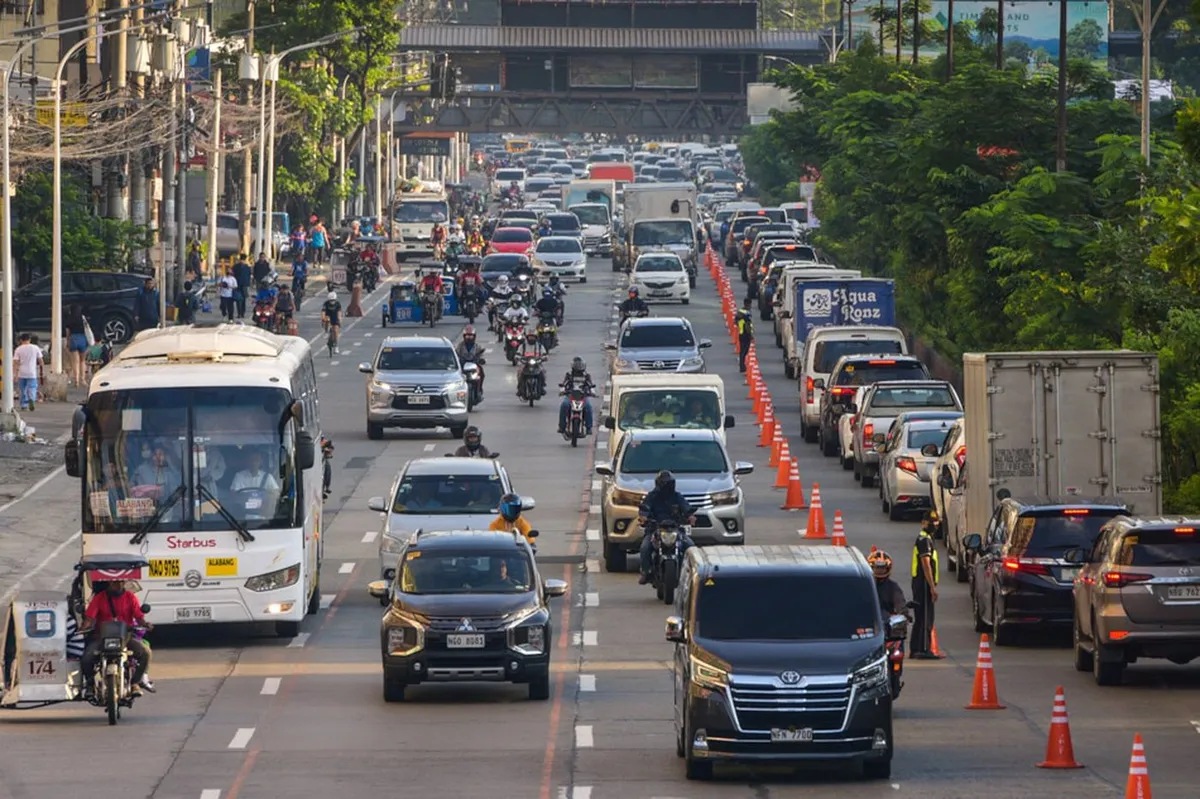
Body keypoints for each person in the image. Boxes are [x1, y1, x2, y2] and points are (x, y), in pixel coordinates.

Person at [79, 578, 152, 697]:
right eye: (116, 582)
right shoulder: (99, 598)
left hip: (125, 638)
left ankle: (135, 683)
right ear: (109, 583)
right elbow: (89, 618)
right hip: (102, 638)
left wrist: (145, 624)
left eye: (122, 582)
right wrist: (83, 628)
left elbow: (139, 617)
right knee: (86, 658)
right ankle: (90, 685)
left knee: (146, 653)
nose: (119, 585)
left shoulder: (130, 597)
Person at [636, 470, 695, 585]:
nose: (667, 487)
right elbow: (644, 509)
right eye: (665, 484)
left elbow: (686, 508)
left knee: (691, 547)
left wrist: (690, 517)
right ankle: (646, 571)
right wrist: (643, 517)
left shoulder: (677, 496)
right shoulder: (652, 496)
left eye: (669, 484)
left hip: (675, 529)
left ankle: (690, 573)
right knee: (645, 548)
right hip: (655, 529)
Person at [910, 511, 941, 659]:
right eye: (932, 522)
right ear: (924, 523)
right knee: (925, 618)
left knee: (922, 617)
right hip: (923, 584)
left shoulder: (926, 538)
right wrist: (932, 587)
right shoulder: (924, 540)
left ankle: (916, 648)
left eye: (936, 522)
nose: (935, 524)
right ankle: (922, 649)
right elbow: (926, 564)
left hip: (921, 583)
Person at [557, 356, 595, 435]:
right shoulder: (569, 375)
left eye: (580, 365)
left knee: (588, 407)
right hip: (570, 396)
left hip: (582, 397)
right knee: (564, 405)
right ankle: (562, 426)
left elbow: (591, 385)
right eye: (577, 365)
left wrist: (592, 392)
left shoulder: (586, 376)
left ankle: (589, 427)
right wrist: (562, 391)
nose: (578, 367)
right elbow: (564, 384)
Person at [868, 548, 907, 615]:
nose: (880, 570)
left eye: (882, 568)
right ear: (871, 567)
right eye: (877, 567)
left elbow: (899, 601)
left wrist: (903, 612)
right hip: (867, 621)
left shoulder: (893, 587)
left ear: (887, 568)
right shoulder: (865, 586)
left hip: (886, 622)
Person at [13, 332, 42, 411]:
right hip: (32, 372)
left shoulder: (18, 349)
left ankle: (23, 405)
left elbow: (15, 362)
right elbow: (40, 360)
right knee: (32, 387)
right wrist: (41, 367)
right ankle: (31, 399)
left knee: (23, 389)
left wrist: (15, 374)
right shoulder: (35, 348)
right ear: (29, 339)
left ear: (21, 340)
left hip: (22, 373)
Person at [455, 326, 486, 394]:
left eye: (471, 336)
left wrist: (481, 360)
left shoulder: (477, 346)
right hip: (463, 364)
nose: (469, 338)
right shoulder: (460, 346)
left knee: (481, 373)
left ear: (474, 336)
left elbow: (481, 354)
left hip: (474, 364)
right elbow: (456, 353)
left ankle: (479, 388)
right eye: (467, 336)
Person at [64, 303, 89, 387]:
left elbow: (68, 333)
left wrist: (68, 342)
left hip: (73, 339)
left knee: (75, 362)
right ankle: (83, 380)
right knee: (82, 361)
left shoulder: (69, 320)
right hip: (82, 338)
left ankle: (76, 381)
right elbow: (87, 330)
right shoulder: (83, 319)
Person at [736, 297, 754, 373]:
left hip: (741, 333)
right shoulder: (746, 313)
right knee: (744, 351)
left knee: (742, 351)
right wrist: (750, 335)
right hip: (746, 334)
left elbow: (736, 321)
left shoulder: (739, 312)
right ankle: (742, 366)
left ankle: (742, 365)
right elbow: (748, 325)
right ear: (748, 304)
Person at [233, 254, 252, 319]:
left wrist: (248, 284)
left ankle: (242, 313)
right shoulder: (236, 267)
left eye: (243, 260)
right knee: (239, 300)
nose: (242, 261)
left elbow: (249, 276)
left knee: (243, 300)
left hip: (244, 285)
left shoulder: (247, 267)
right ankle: (240, 313)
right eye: (242, 260)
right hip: (238, 285)